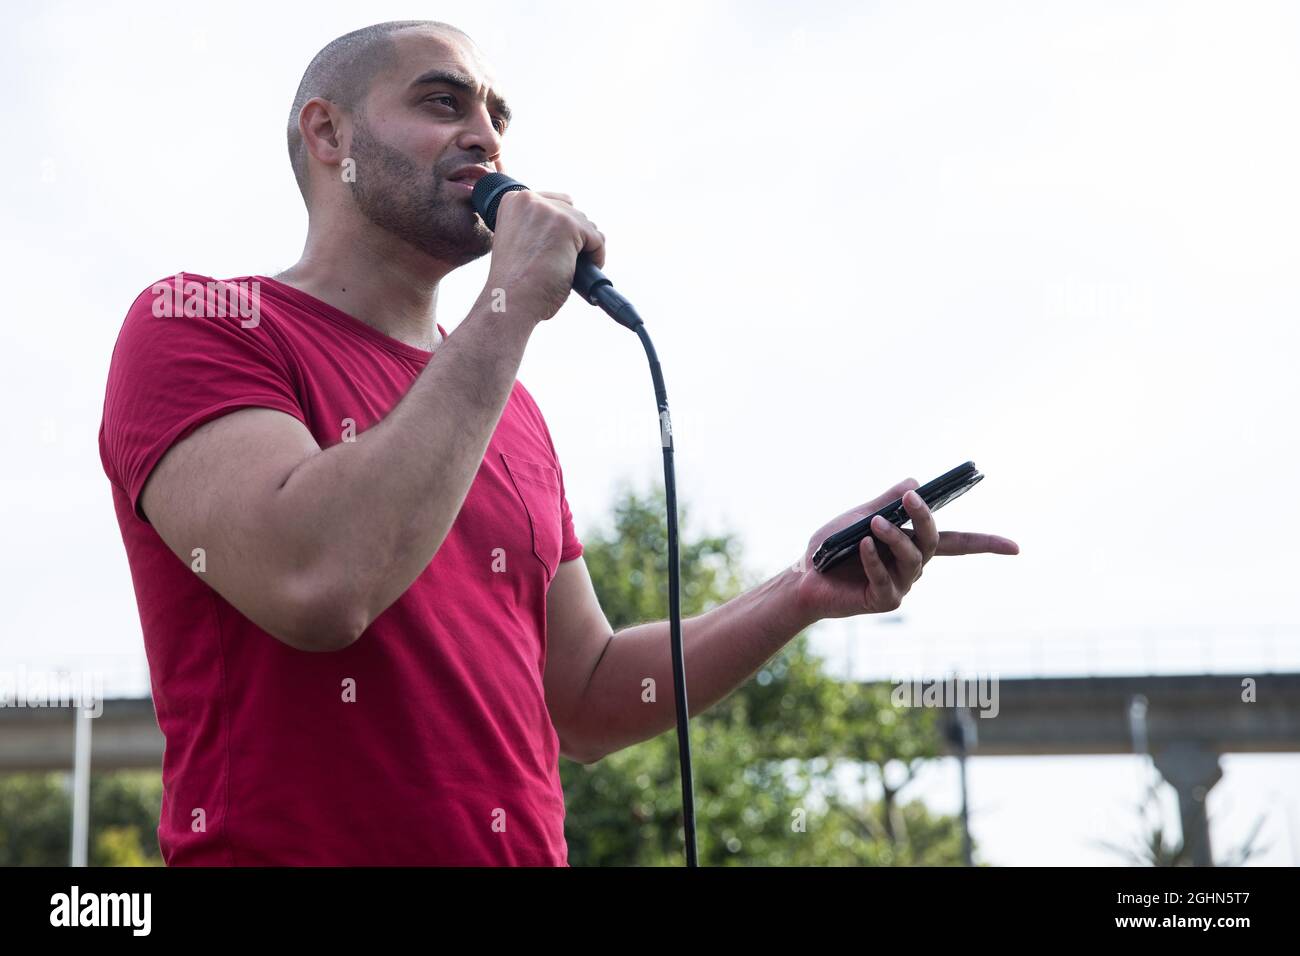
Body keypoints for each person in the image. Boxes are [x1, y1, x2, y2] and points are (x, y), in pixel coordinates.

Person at [98, 20, 1019, 865]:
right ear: (329, 135)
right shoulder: (202, 325)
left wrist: (800, 592)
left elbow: (583, 694)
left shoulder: (507, 408)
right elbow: (319, 582)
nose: (487, 139)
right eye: (441, 101)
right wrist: (509, 310)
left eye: (497, 118)